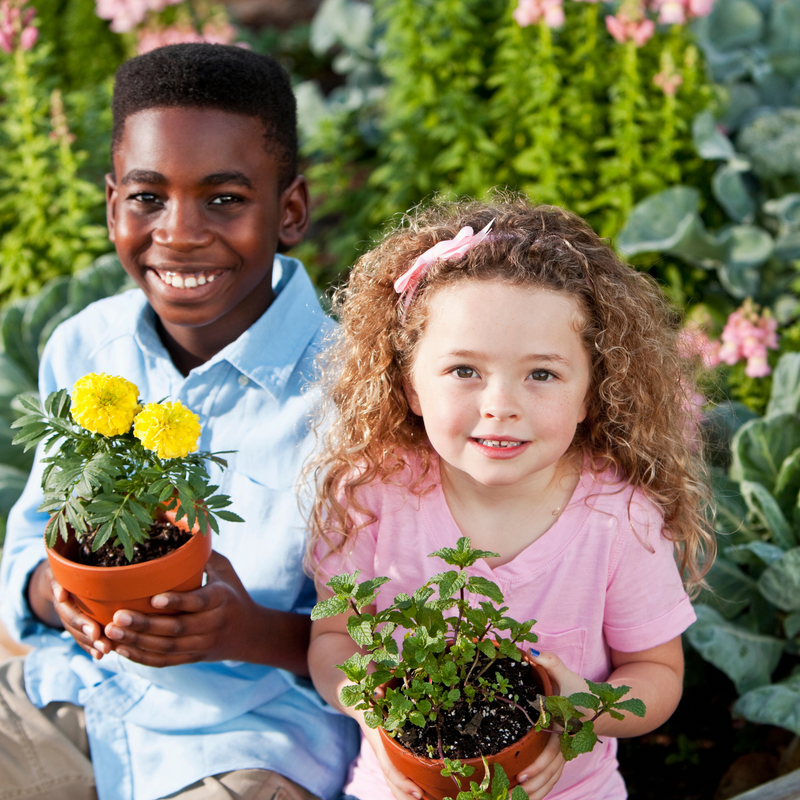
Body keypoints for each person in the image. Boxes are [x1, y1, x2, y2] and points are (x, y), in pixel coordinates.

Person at [0, 43, 359, 800]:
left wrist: (241, 630)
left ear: (290, 209)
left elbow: (384, 640)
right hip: (78, 694)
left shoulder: (356, 391)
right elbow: (32, 542)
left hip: (258, 733)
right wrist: (59, 594)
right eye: (148, 197)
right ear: (111, 206)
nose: (181, 231)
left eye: (224, 198)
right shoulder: (84, 348)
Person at [306, 197, 716, 800]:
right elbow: (333, 640)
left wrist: (586, 712)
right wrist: (372, 712)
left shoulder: (619, 517)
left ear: (590, 395)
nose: (501, 404)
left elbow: (657, 674)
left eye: (542, 374)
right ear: (409, 382)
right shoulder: (371, 494)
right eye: (464, 370)